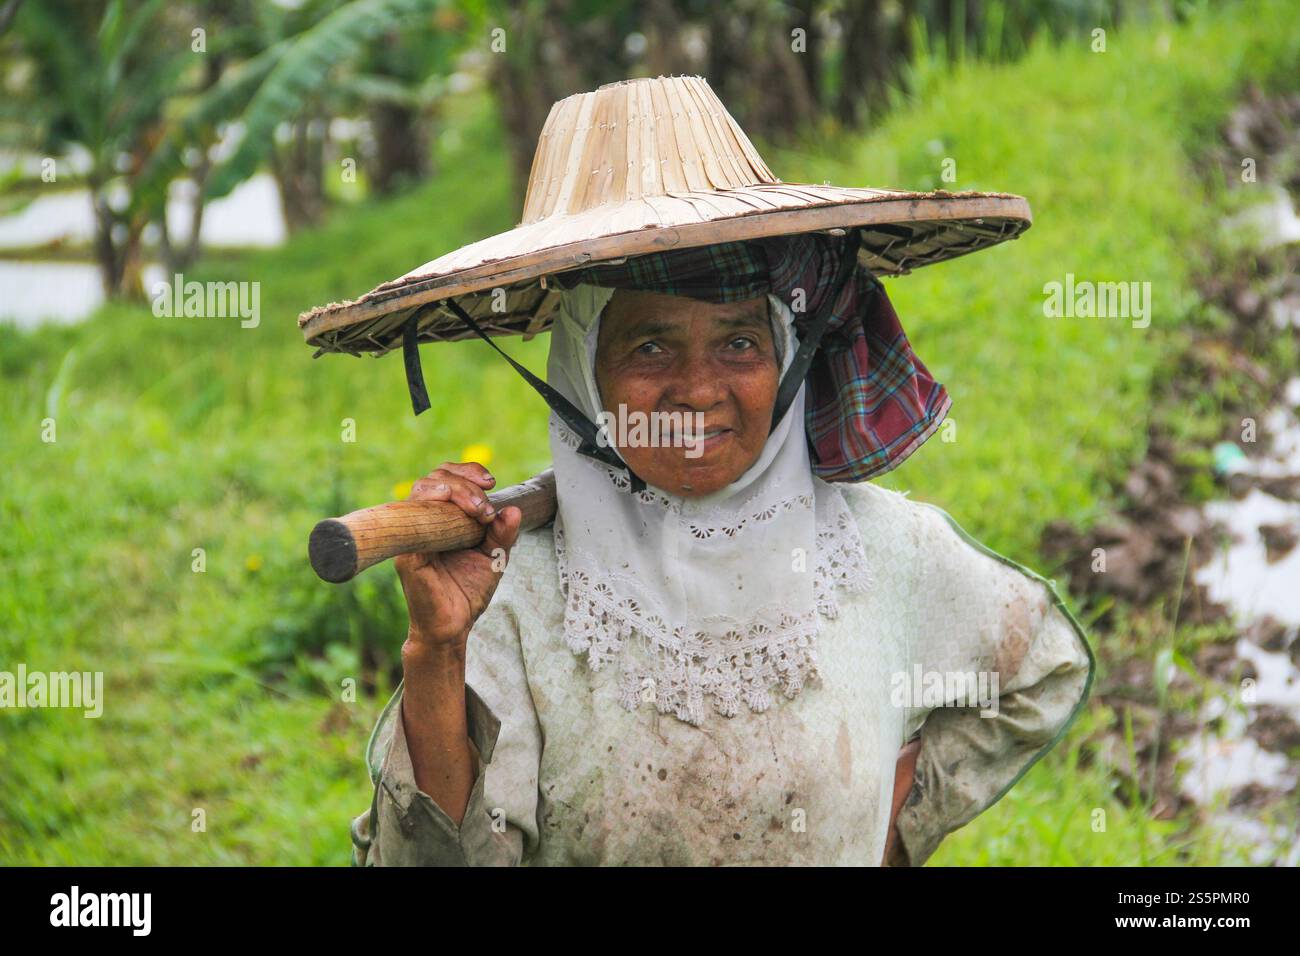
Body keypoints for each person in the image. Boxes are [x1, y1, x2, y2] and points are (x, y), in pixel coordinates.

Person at [299, 75, 1094, 867]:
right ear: (582, 371)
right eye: (650, 347)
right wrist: (436, 652)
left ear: (786, 358)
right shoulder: (511, 598)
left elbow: (1038, 669)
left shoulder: (888, 556)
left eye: (739, 343)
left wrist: (887, 827)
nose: (700, 390)